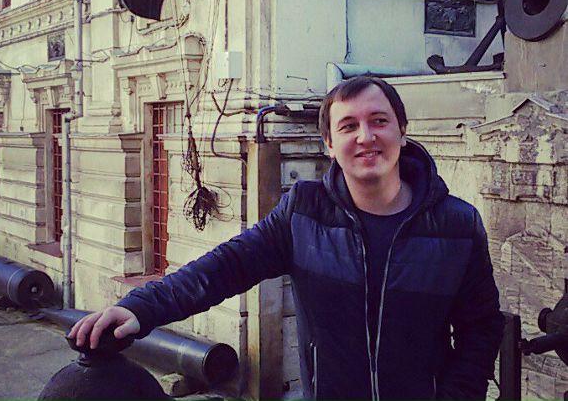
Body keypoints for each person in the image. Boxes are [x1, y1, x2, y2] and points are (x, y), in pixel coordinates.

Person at [69, 76, 504, 401]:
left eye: (379, 121)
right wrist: (141, 307)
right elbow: (225, 266)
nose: (365, 137)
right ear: (329, 143)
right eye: (348, 126)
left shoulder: (457, 225)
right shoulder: (303, 213)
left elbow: (481, 329)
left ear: (402, 131)